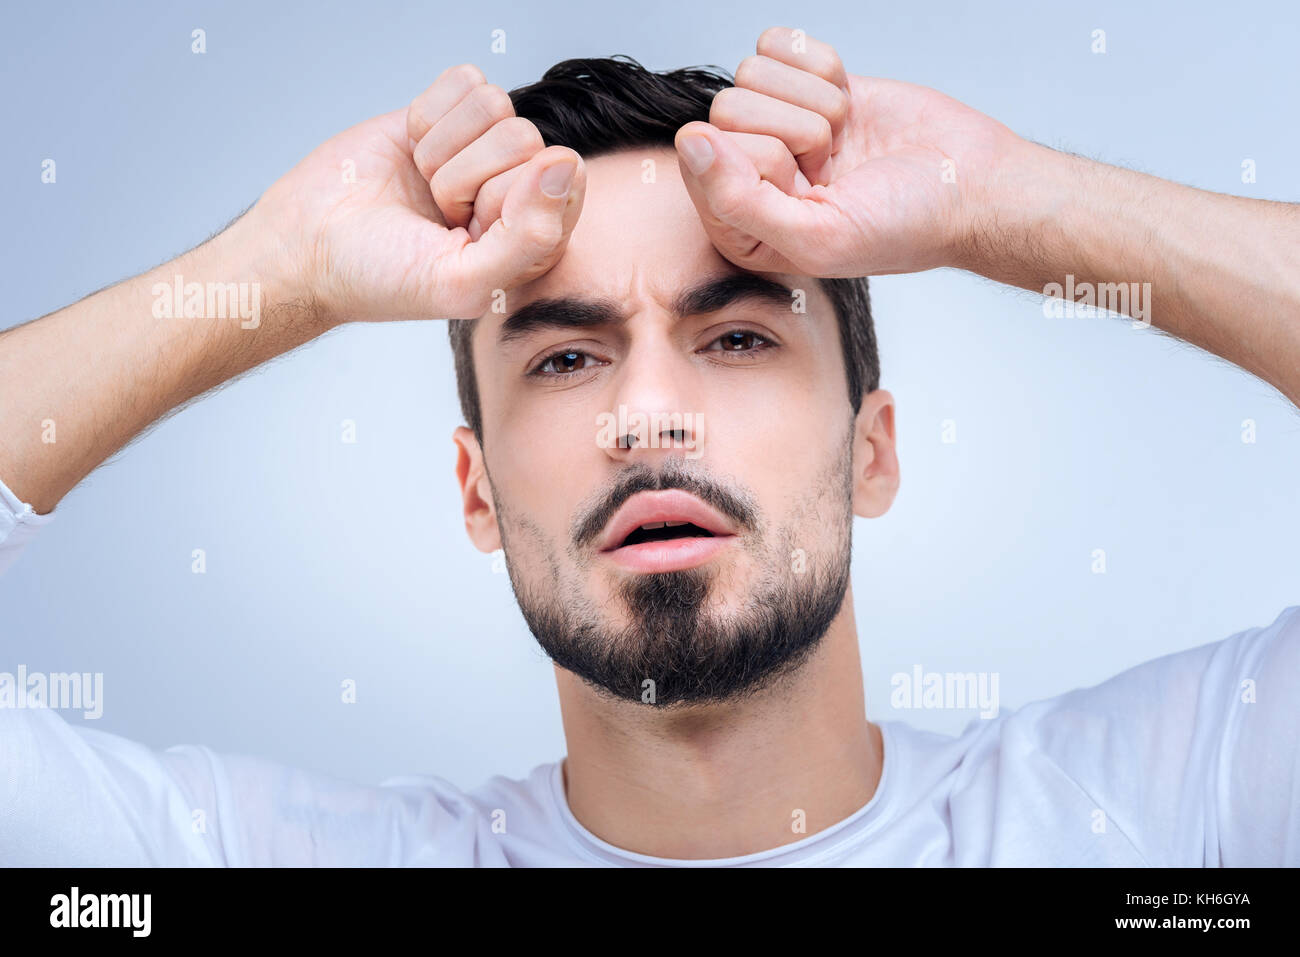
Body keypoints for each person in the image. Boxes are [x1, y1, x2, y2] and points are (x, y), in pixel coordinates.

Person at [1, 27, 1297, 866]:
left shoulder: (1170, 823)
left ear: (874, 448)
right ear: (477, 491)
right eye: (566, 357)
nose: (648, 417)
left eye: (734, 336)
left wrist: (1008, 200)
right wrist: (276, 268)